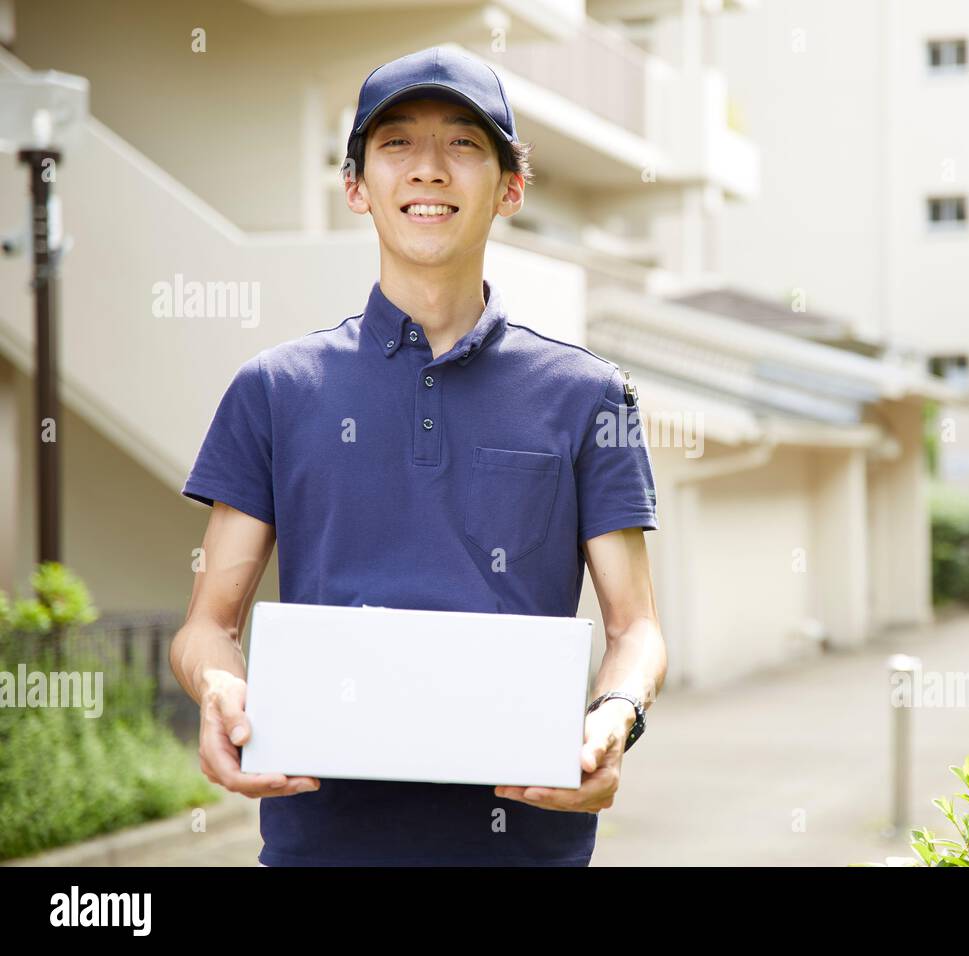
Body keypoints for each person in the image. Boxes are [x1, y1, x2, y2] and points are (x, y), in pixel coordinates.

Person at [169, 46, 666, 866]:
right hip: (318, 848)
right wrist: (221, 687)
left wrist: (615, 718)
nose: (429, 170)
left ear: (511, 187)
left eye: (464, 144)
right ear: (357, 186)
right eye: (396, 142)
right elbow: (205, 630)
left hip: (529, 847)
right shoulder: (274, 390)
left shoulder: (588, 395)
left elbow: (636, 626)